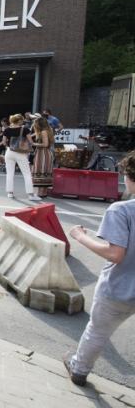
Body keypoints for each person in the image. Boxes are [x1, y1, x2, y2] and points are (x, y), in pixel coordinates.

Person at [64, 152, 135, 387]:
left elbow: (115, 254)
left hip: (120, 289)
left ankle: (79, 370)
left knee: (97, 331)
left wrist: (81, 236)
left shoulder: (121, 210)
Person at [2, 113, 39, 200]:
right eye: (22, 120)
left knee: (10, 173)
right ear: (19, 121)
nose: (23, 121)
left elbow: (4, 142)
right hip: (21, 153)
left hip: (9, 152)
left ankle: (10, 193)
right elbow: (31, 142)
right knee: (26, 174)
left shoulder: (7, 130)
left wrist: (9, 147)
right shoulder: (25, 129)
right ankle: (30, 195)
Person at [31, 116, 55, 197]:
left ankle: (40, 193)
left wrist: (34, 144)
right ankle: (44, 192)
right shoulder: (49, 130)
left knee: (41, 171)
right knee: (45, 172)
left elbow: (45, 144)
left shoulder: (43, 132)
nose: (34, 125)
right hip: (47, 153)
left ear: (39, 124)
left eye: (35, 124)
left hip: (43, 153)